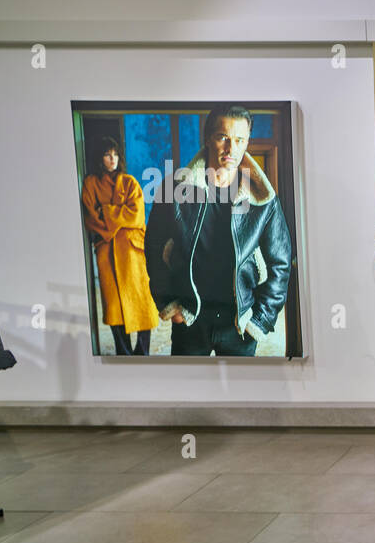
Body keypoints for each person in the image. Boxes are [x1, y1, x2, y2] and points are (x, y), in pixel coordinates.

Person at [146, 105, 293, 356]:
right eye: (222, 137)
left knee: (240, 395)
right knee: (189, 393)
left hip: (239, 324)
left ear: (247, 142)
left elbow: (281, 265)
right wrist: (169, 303)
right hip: (190, 318)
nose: (231, 148)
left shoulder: (263, 199)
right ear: (207, 138)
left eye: (239, 140)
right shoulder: (173, 190)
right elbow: (153, 248)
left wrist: (259, 320)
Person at [80, 137, 159, 355]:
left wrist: (106, 211)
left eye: (115, 154)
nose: (112, 159)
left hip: (133, 252)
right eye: (107, 154)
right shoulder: (91, 184)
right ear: (100, 158)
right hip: (107, 251)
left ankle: (142, 352)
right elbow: (90, 217)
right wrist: (116, 217)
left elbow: (136, 215)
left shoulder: (129, 182)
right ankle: (123, 353)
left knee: (142, 303)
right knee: (114, 306)